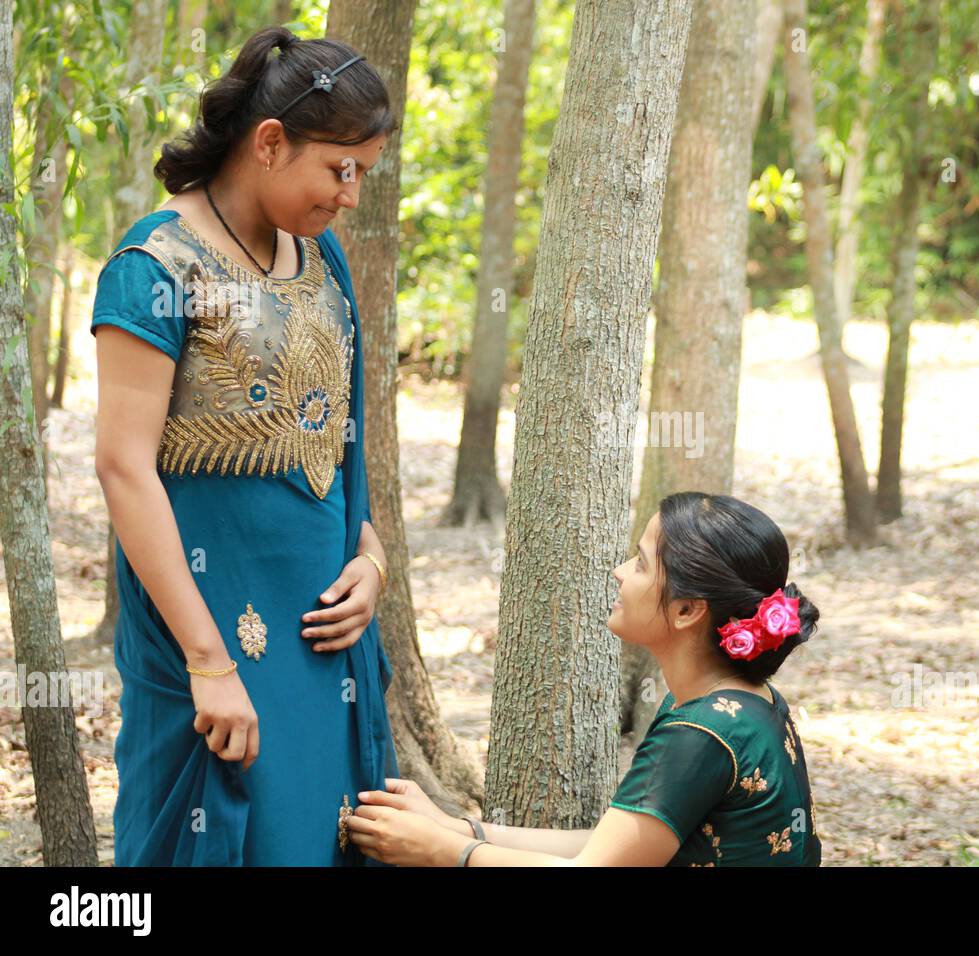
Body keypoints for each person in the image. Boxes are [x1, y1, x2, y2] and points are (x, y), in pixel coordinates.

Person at [92, 26, 399, 865]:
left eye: (363, 175)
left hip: (322, 643)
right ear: (270, 142)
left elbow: (336, 440)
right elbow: (123, 468)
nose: (351, 196)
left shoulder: (322, 261)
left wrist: (370, 559)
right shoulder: (153, 267)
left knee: (318, 832)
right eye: (341, 169)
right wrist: (207, 661)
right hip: (209, 634)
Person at [345, 492, 823, 866]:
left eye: (639, 564)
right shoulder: (739, 703)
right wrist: (458, 829)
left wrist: (443, 853)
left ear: (686, 610)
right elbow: (613, 845)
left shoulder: (701, 733)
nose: (618, 573)